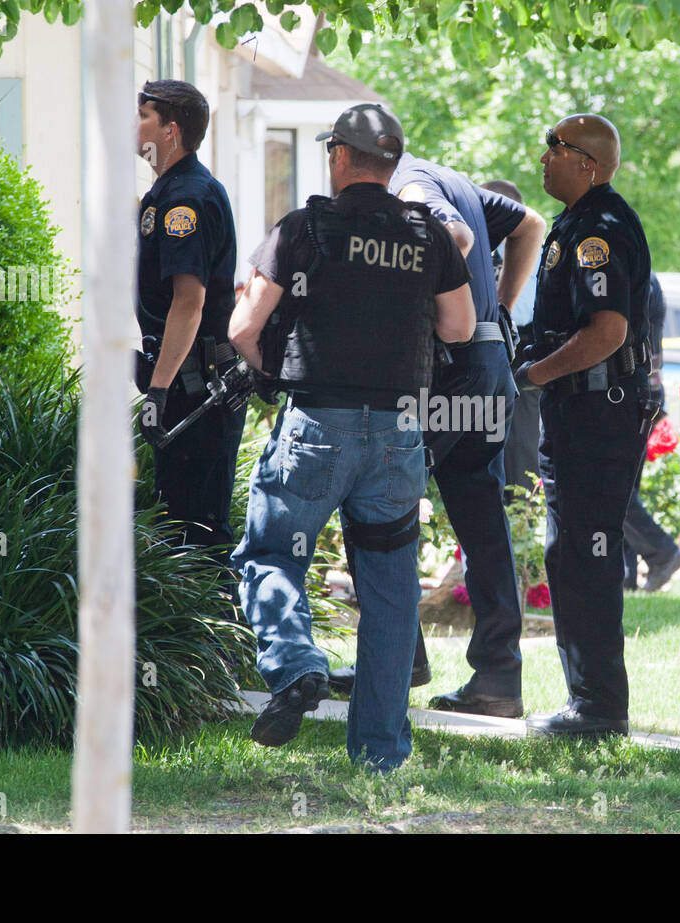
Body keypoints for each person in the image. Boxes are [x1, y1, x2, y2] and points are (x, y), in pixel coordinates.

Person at [228, 103, 474, 770]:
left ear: (339, 156)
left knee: (272, 554)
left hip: (316, 425)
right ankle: (380, 754)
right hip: (398, 433)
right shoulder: (428, 236)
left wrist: (272, 374)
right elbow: (459, 327)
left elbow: (242, 329)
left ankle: (297, 663)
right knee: (391, 592)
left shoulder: (303, 228)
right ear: (391, 165)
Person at [327, 143, 547, 719]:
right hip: (489, 363)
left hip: (446, 370)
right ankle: (498, 678)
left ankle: (399, 659)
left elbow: (455, 237)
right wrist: (499, 306)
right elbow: (532, 225)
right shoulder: (457, 179)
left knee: (373, 497)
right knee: (481, 513)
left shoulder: (410, 185)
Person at [515, 114, 656, 738]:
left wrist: (534, 375)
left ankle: (599, 709)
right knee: (570, 554)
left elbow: (608, 330)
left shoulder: (598, 229)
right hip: (578, 412)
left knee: (588, 555)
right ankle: (588, 699)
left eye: (557, 147)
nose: (544, 156)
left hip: (599, 413)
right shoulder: (573, 224)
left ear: (589, 164)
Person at [134, 80, 244, 582]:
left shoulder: (187, 201)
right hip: (184, 378)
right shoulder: (167, 193)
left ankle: (224, 654)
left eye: (143, 116)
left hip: (197, 384)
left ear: (170, 131)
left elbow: (189, 301)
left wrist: (158, 389)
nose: (133, 125)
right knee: (178, 519)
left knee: (198, 529)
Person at [623, 274, 680, 591]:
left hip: (632, 393)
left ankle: (662, 553)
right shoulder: (646, 277)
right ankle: (625, 578)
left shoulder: (634, 278)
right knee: (624, 487)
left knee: (610, 487)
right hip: (646, 391)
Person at [483, 179, 544, 495]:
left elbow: (520, 312)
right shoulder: (479, 246)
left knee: (520, 445)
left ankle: (521, 513)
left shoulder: (529, 249)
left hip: (517, 352)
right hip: (479, 355)